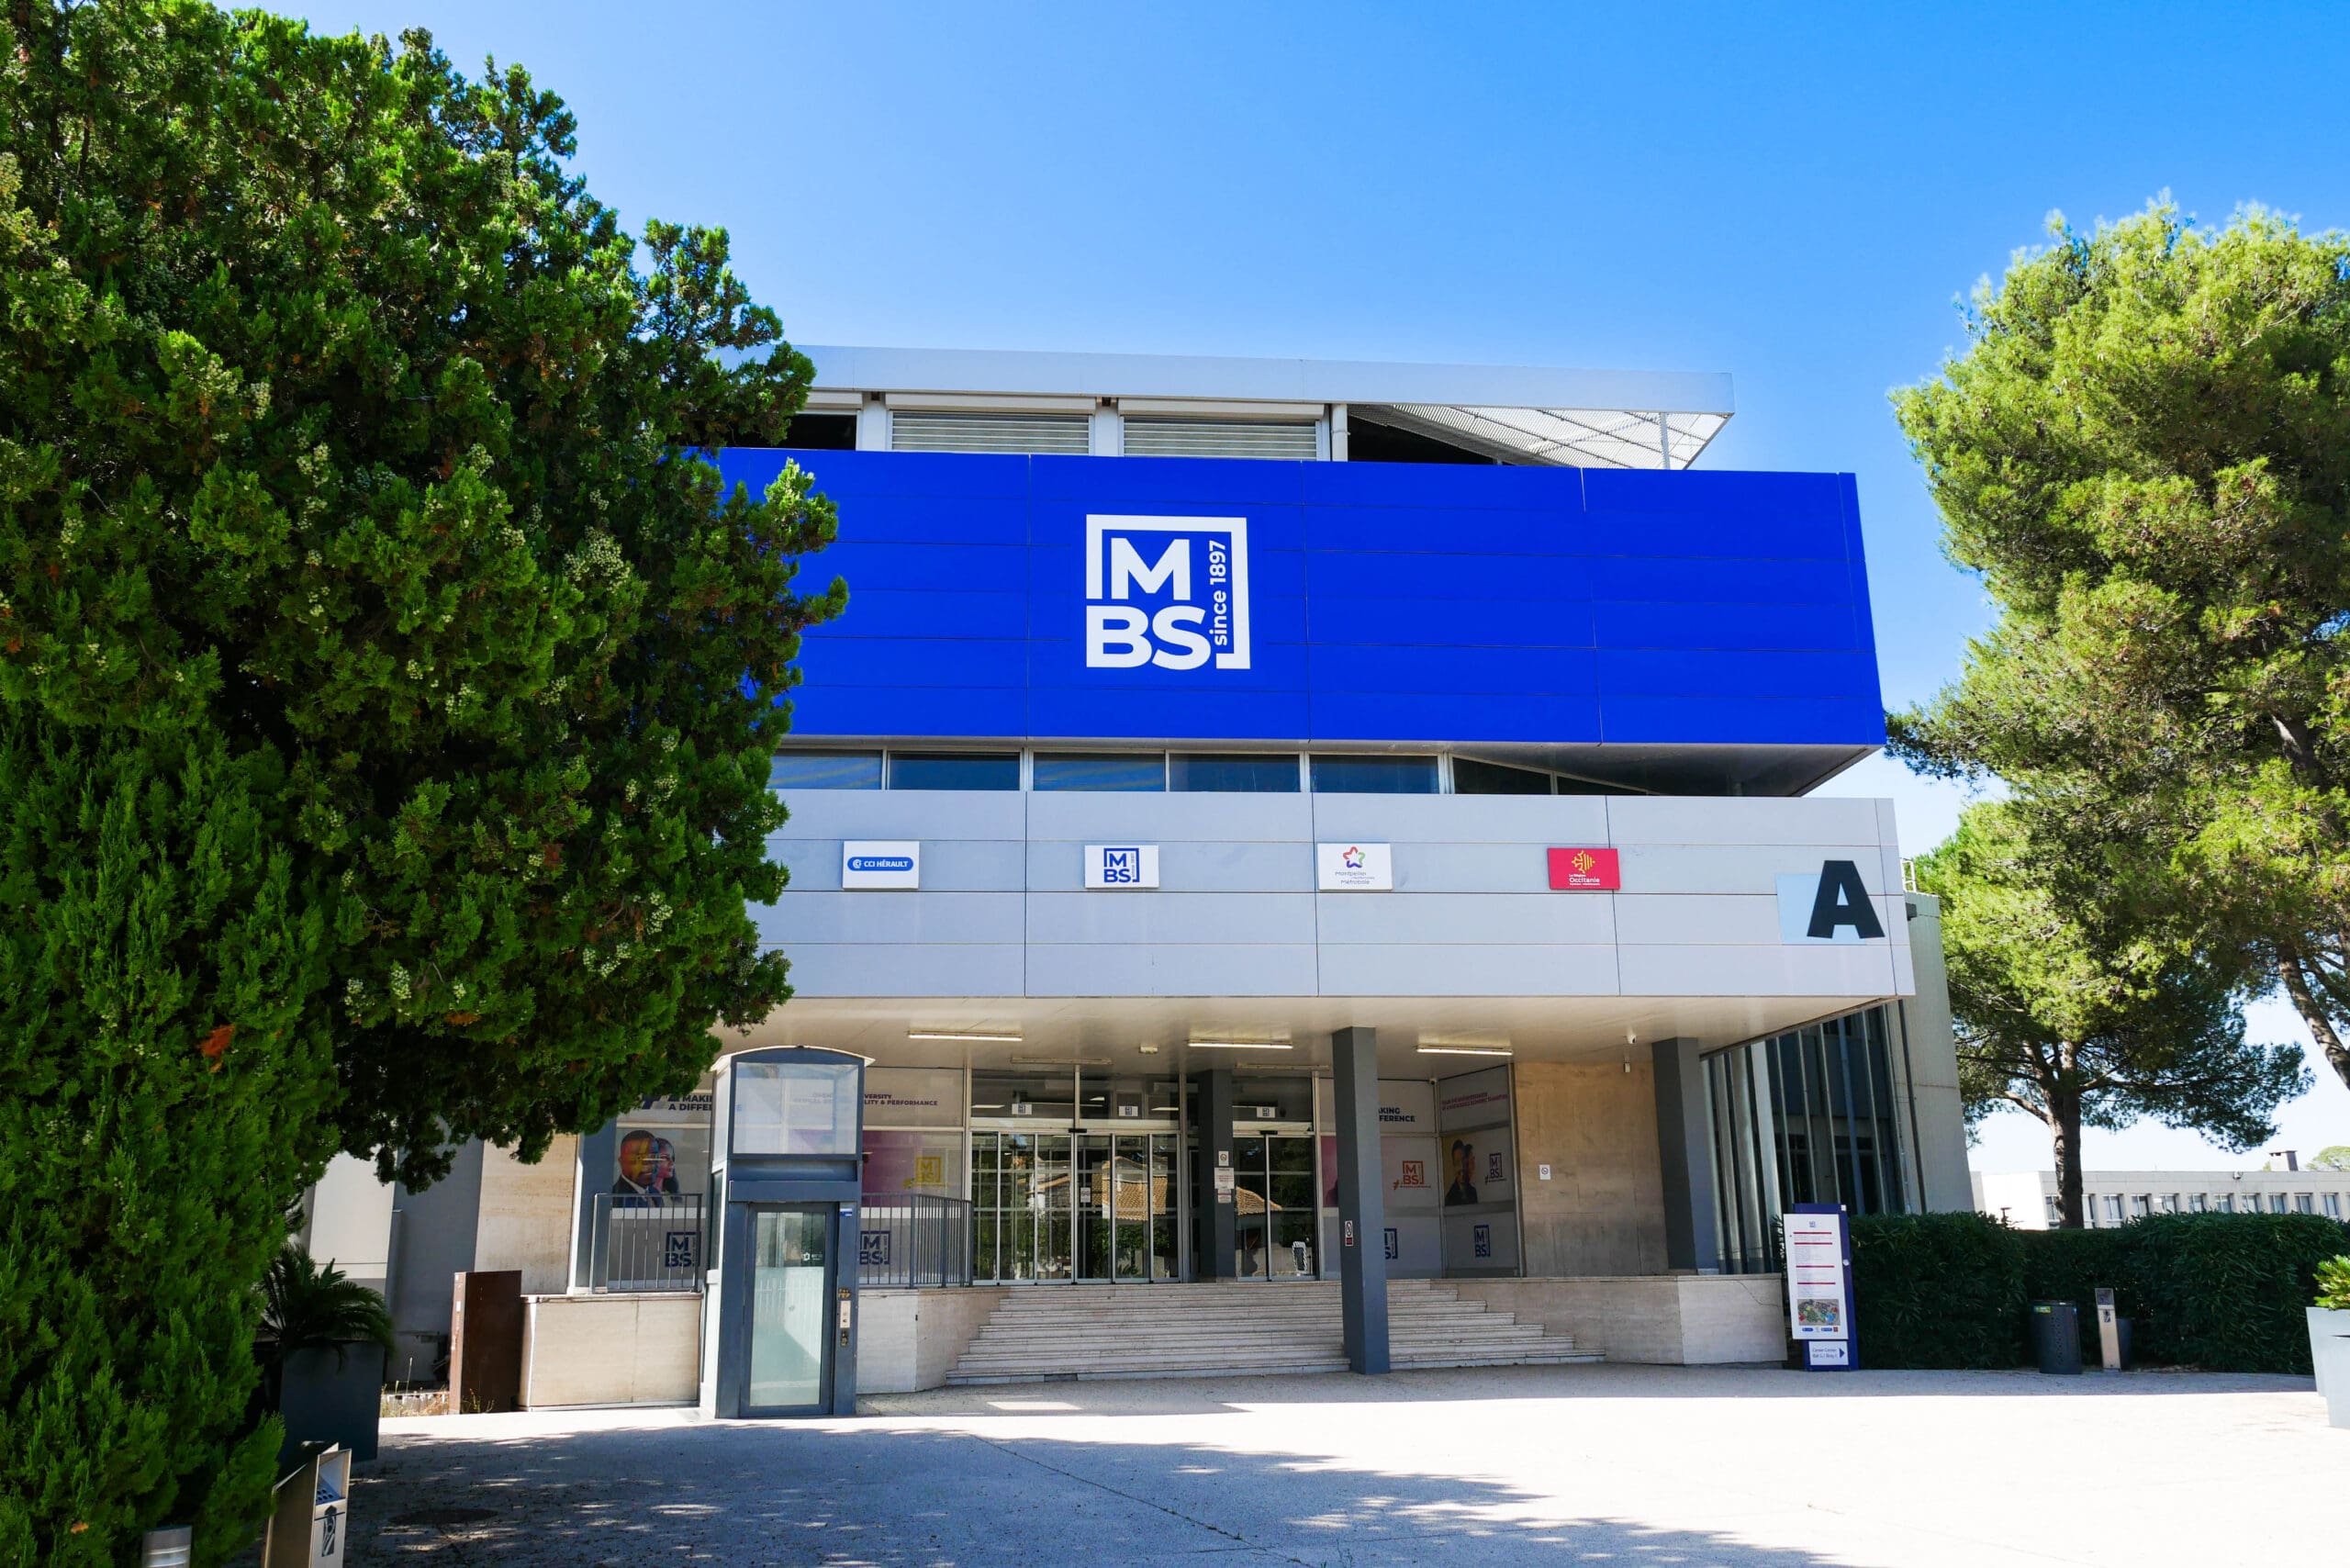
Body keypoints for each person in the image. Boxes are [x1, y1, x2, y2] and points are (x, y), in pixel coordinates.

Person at [612, 1130, 679, 1206]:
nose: (650, 1163)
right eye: (641, 1157)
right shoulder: (617, 1197)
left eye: (654, 1157)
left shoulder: (654, 1193)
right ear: (622, 1162)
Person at [1444, 1138, 1479, 1205]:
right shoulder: (1450, 1197)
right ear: (1453, 1166)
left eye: (1463, 1162)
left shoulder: (1472, 1191)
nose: (1461, 1167)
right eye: (1457, 1163)